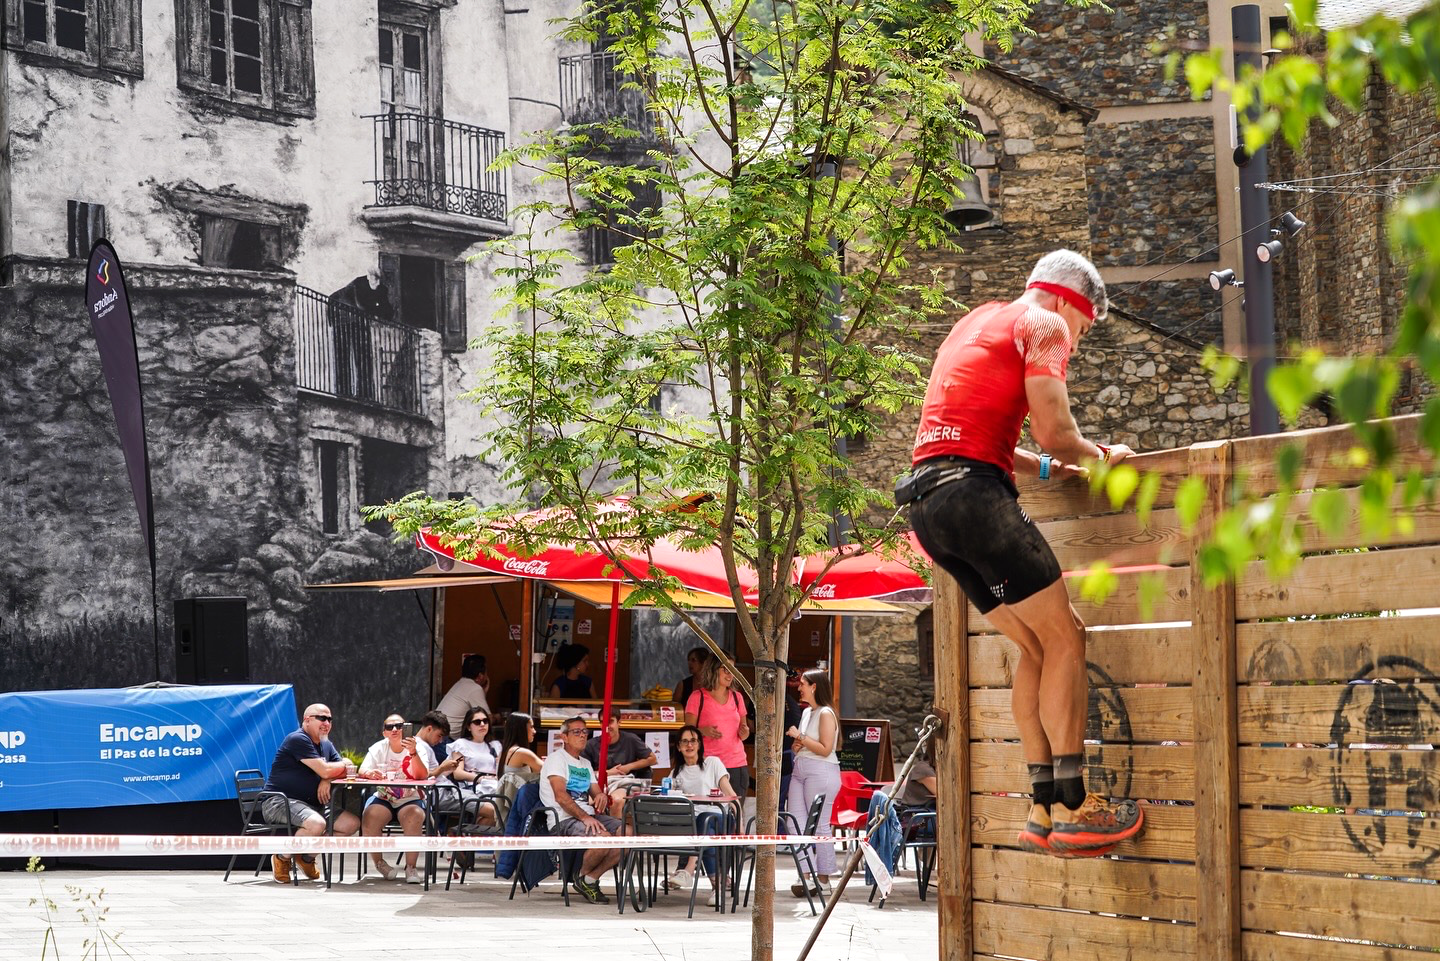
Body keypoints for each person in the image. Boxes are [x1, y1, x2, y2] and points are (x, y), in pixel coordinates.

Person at [906, 248, 1144, 857]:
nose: (1077, 341)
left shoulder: (974, 322)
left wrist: (1046, 467)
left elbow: (974, 431)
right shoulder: (1046, 324)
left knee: (1034, 644)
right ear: (1069, 301)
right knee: (1067, 636)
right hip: (977, 500)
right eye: (1084, 331)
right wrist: (1101, 455)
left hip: (929, 508)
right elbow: (1055, 428)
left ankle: (1040, 807)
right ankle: (1073, 806)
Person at [261, 703, 361, 883]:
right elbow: (333, 768)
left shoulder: (325, 743)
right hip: (279, 802)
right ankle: (282, 857)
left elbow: (339, 767)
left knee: (351, 824)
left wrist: (327, 779)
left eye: (330, 719)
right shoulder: (298, 739)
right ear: (307, 719)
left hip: (312, 805)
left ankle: (306, 858)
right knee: (316, 824)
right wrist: (331, 771)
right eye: (322, 718)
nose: (327, 723)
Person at [539, 715, 626, 904]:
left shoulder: (585, 763)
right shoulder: (556, 759)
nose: (582, 735)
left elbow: (595, 792)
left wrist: (601, 796)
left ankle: (587, 878)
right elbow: (561, 796)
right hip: (564, 819)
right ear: (564, 737)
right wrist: (585, 817)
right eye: (576, 732)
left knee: (629, 834)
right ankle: (585, 879)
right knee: (604, 839)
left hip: (588, 816)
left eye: (585, 731)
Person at [357, 713, 438, 883]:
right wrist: (370, 773)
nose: (394, 729)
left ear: (406, 729)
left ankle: (411, 867)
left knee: (415, 815)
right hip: (384, 798)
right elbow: (362, 770)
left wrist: (413, 752)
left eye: (399, 726)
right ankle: (379, 863)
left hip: (410, 799)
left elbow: (422, 775)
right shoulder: (378, 748)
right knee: (370, 815)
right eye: (389, 727)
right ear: (384, 732)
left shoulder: (417, 747)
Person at [784, 669, 841, 896]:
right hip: (801, 768)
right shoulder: (807, 712)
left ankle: (824, 878)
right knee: (794, 822)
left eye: (803, 684)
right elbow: (806, 743)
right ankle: (805, 874)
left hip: (821, 770)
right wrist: (799, 744)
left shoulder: (826, 713)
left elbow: (826, 748)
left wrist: (800, 738)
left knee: (819, 824)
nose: (799, 688)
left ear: (814, 686)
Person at [666, 723, 735, 901]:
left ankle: (689, 869)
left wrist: (740, 819)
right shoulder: (676, 773)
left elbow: (730, 793)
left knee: (704, 819)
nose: (690, 745)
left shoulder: (712, 763)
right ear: (679, 747)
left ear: (699, 744)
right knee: (704, 827)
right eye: (685, 741)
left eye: (694, 741)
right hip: (695, 825)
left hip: (721, 818)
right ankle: (717, 887)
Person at [684, 658, 751, 797]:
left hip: (736, 764)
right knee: (708, 813)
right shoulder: (697, 697)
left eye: (732, 670)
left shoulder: (737, 697)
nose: (730, 674)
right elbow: (686, 733)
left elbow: (743, 734)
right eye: (725, 669)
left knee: (734, 813)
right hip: (706, 765)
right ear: (713, 670)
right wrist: (702, 731)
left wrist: (744, 732)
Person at [582, 714, 659, 793]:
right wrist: (608, 773)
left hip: (626, 783)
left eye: (610, 722)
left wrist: (629, 767)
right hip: (599, 783)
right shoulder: (590, 745)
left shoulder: (631, 739)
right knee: (591, 799)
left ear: (619, 722)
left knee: (617, 799)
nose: (607, 726)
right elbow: (583, 773)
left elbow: (653, 759)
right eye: (603, 722)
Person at [436, 653, 491, 738]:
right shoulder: (474, 688)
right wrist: (498, 717)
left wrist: (484, 693)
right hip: (446, 739)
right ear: (480, 676)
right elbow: (487, 719)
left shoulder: (461, 683)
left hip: (438, 734)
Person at [498, 712, 543, 782]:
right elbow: (548, 771)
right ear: (521, 729)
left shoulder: (504, 751)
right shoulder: (521, 753)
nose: (534, 731)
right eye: (531, 727)